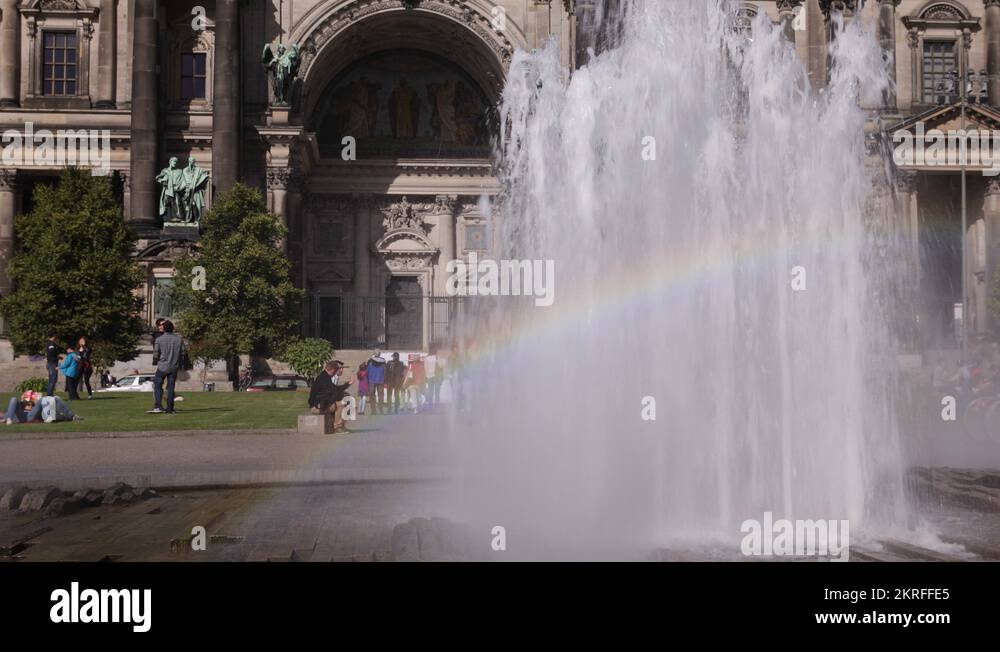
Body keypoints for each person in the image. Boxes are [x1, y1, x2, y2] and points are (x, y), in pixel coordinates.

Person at [149, 319, 186, 414]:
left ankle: (158, 405)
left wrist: (155, 361)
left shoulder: (159, 340)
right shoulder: (179, 339)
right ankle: (170, 408)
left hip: (162, 366)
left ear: (164, 328)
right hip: (174, 366)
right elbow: (183, 352)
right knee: (170, 387)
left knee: (158, 386)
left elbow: (156, 353)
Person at [308, 360, 353, 434]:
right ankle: (337, 428)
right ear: (332, 370)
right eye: (335, 371)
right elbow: (332, 392)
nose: (336, 373)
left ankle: (341, 426)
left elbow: (334, 389)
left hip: (322, 404)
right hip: (317, 407)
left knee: (348, 402)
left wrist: (347, 384)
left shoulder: (325, 377)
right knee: (343, 404)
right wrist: (343, 393)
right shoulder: (323, 379)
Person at [3, 391, 83, 425]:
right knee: (13, 399)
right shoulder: (14, 409)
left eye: (29, 403)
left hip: (31, 415)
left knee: (54, 398)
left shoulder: (36, 407)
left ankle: (73, 416)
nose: (28, 404)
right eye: (27, 403)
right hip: (22, 417)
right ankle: (9, 420)